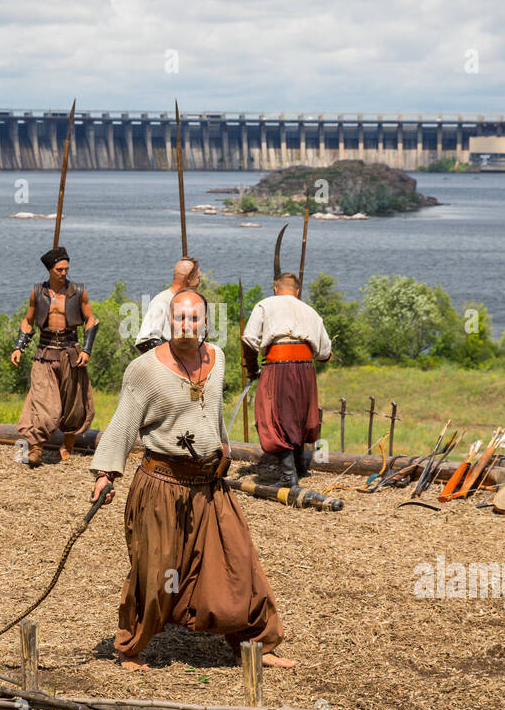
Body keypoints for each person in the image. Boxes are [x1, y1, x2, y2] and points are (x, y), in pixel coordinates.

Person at [90, 289, 294, 672]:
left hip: (210, 486)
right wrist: (104, 474)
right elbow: (122, 425)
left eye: (194, 319)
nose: (186, 326)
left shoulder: (217, 360)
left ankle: (258, 644)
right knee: (158, 572)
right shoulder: (144, 370)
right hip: (163, 485)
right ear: (169, 321)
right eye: (179, 319)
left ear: (205, 322)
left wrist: (223, 449)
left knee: (240, 561)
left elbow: (211, 415)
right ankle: (130, 648)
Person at [242, 272, 332, 487]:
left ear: (275, 288)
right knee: (299, 416)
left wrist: (253, 369)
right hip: (306, 369)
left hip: (278, 365)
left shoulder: (265, 305)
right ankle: (299, 468)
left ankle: (288, 477)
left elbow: (248, 341)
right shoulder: (311, 312)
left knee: (272, 415)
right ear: (298, 291)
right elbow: (326, 354)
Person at [11, 246, 97, 466]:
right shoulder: (37, 292)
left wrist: (86, 350)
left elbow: (91, 320)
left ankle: (67, 445)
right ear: (50, 270)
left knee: (73, 403)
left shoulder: (78, 291)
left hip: (71, 353)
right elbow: (28, 321)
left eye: (66, 269)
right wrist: (19, 347)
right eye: (59, 269)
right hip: (44, 352)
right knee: (41, 401)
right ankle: (36, 448)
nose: (64, 273)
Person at [134, 256, 201, 353]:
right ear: (188, 279)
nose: (200, 282)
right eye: (198, 278)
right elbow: (145, 342)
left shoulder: (189, 303)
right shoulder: (161, 302)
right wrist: (172, 359)